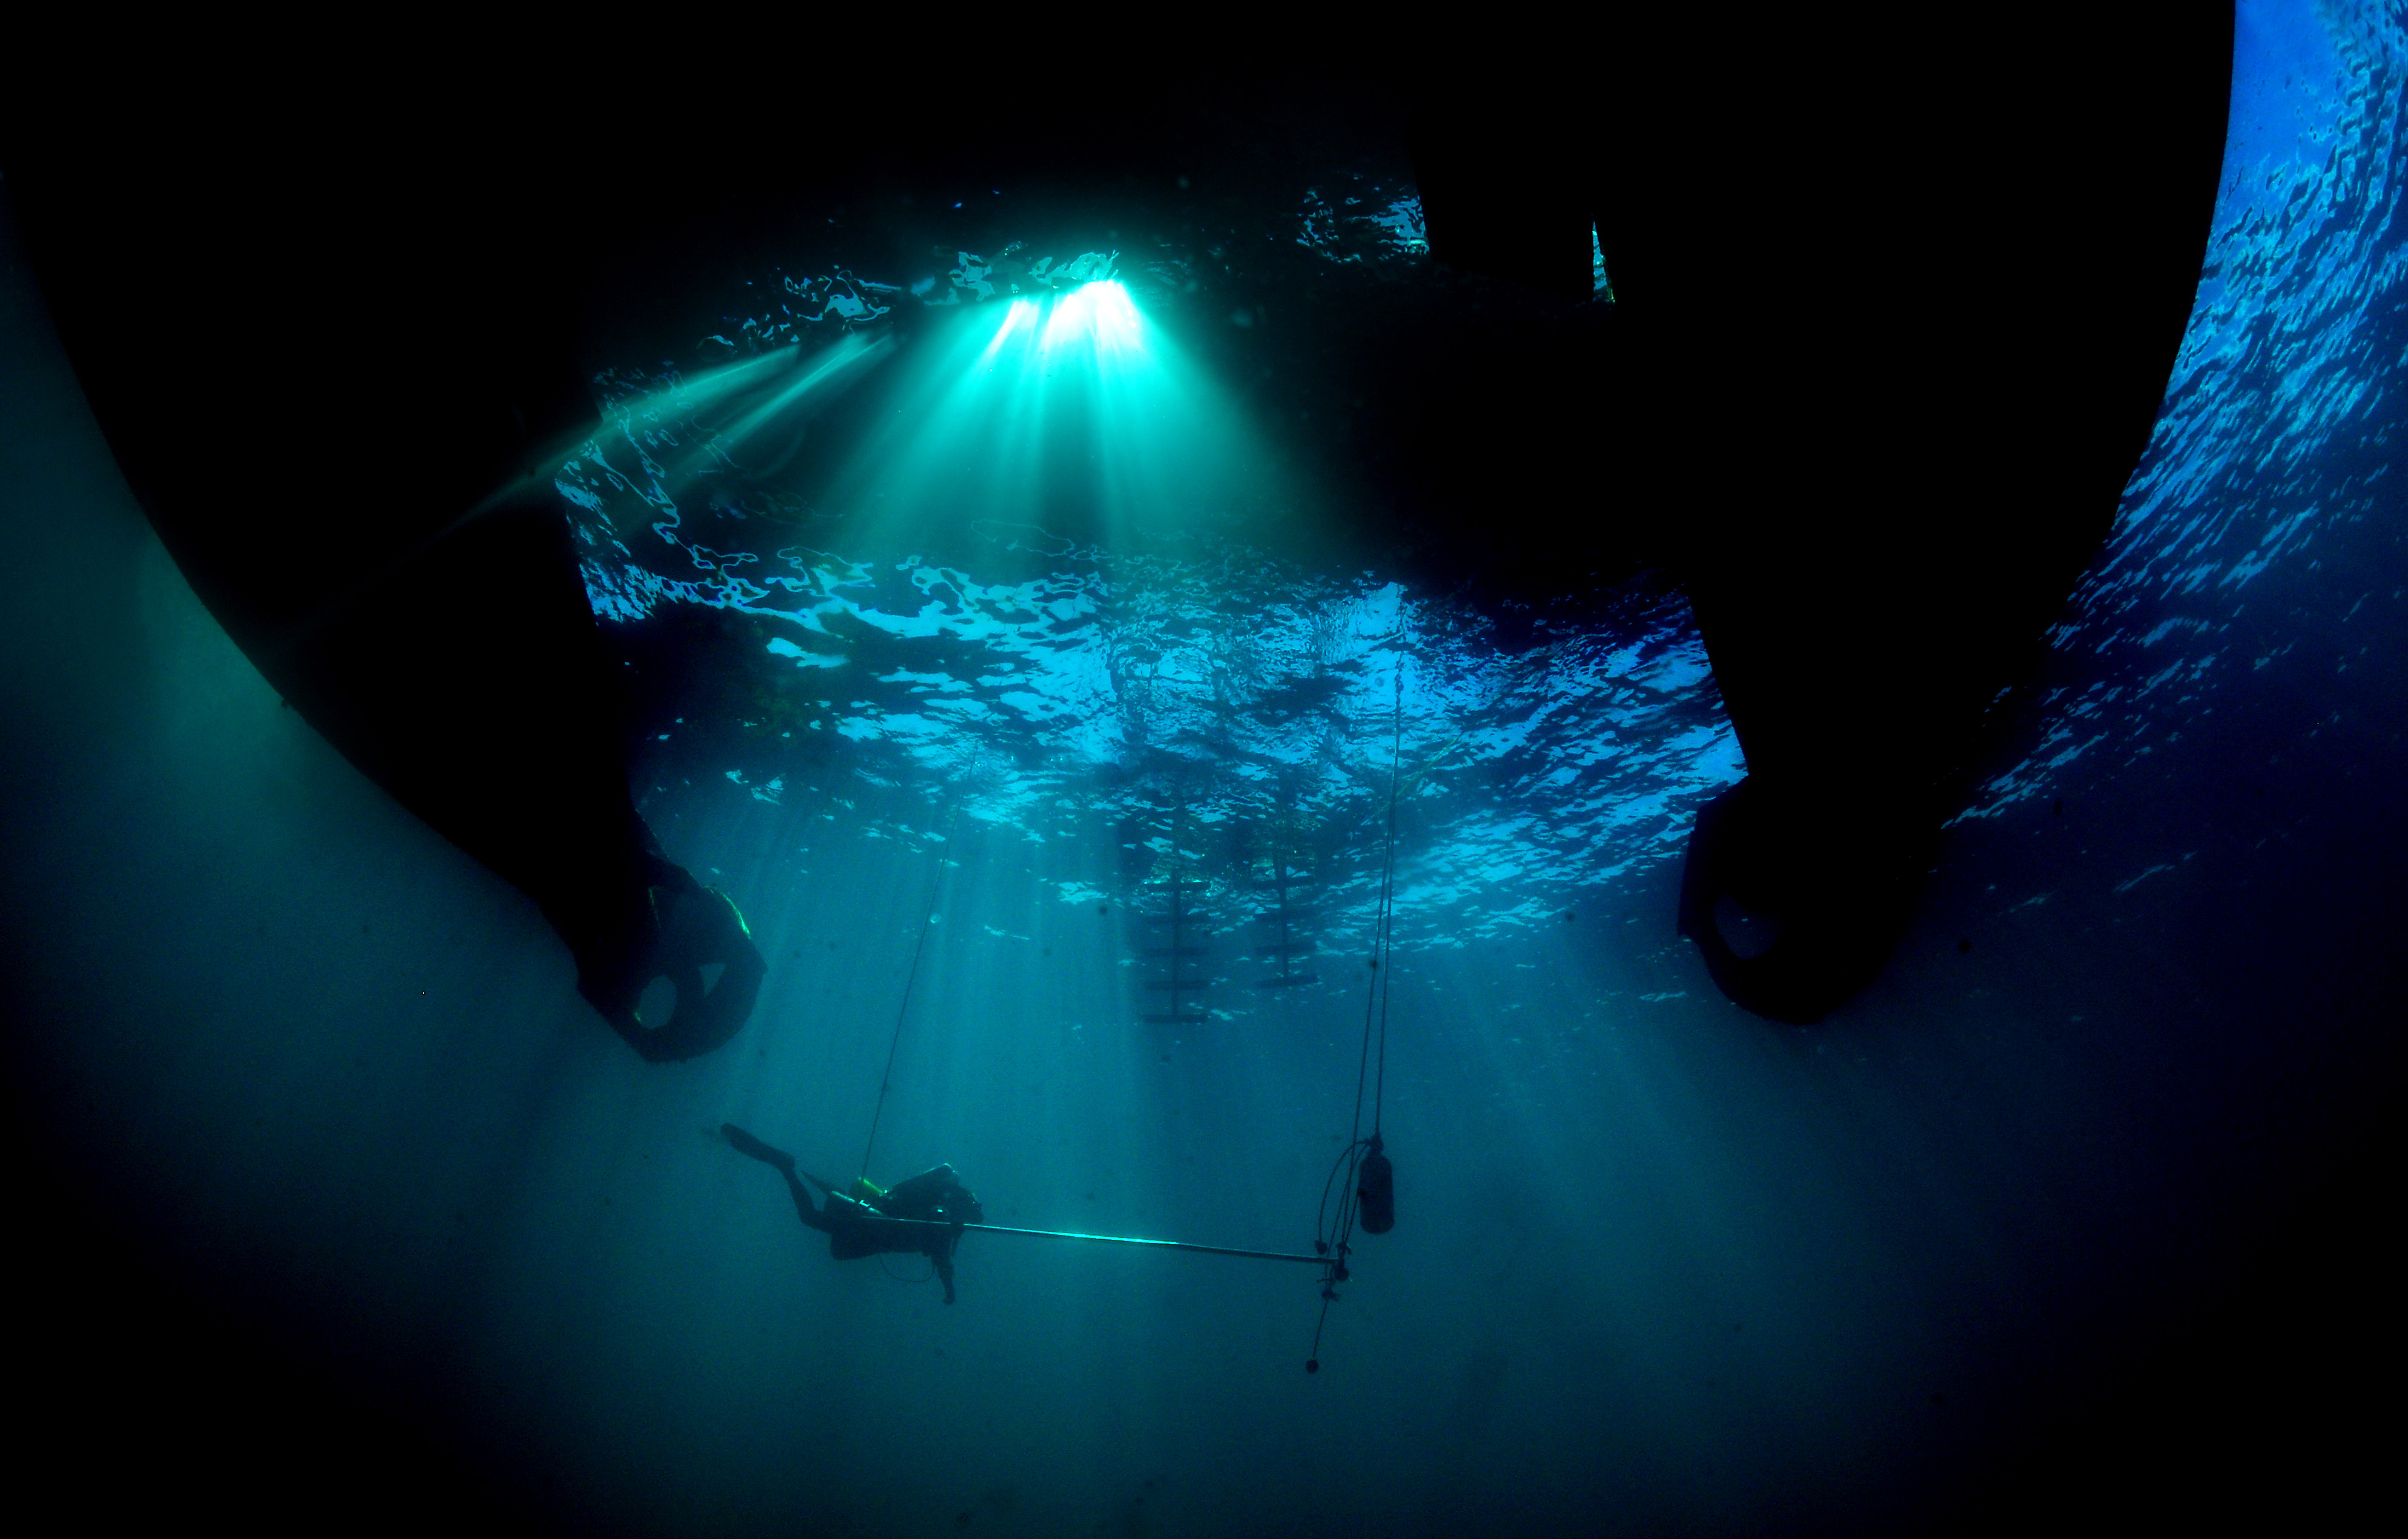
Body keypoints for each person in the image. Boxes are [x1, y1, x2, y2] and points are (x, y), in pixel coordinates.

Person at [723, 1125, 985, 1303]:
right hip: (872, 1223)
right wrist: (949, 1289)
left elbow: (943, 1263)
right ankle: (785, 1167)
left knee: (826, 1235)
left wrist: (949, 1289)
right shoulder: (941, 1220)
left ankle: (791, 1170)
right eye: (971, 1218)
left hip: (873, 1232)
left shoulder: (944, 1229)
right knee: (810, 1218)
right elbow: (940, 1255)